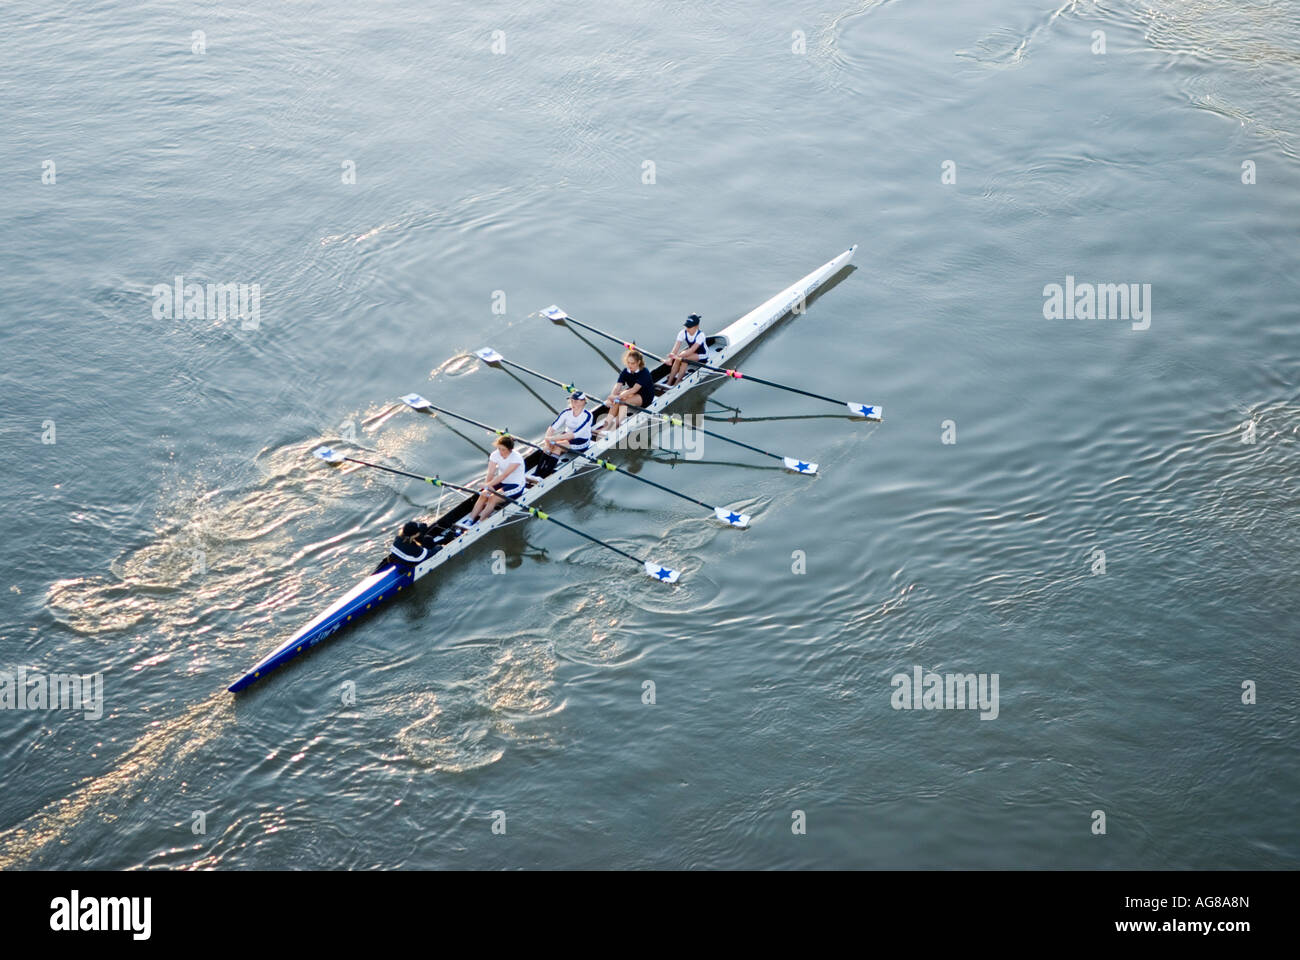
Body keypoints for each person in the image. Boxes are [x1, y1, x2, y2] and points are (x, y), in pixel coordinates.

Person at [460, 434, 527, 528]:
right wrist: (487, 487)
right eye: (499, 448)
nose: (500, 451)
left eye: (503, 449)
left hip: (516, 485)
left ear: (510, 449)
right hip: (502, 483)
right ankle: (470, 520)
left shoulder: (516, 458)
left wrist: (487, 485)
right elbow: (491, 473)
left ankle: (480, 522)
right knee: (483, 494)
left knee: (493, 498)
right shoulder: (495, 455)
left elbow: (504, 475)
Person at [596, 349, 654, 434]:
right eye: (628, 363)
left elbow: (634, 389)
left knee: (623, 402)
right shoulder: (626, 371)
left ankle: (615, 427)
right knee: (616, 401)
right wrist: (612, 396)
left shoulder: (644, 372)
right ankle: (606, 426)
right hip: (632, 393)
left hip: (645, 396)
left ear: (638, 362)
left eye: (632, 363)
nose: (630, 365)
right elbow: (618, 385)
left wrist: (617, 397)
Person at [536, 391, 593, 477]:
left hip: (582, 441)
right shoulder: (566, 412)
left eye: (576, 401)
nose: (573, 403)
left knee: (557, 446)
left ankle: (545, 475)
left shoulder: (587, 415)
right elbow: (552, 428)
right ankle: (537, 473)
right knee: (549, 445)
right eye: (572, 401)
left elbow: (574, 435)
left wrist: (552, 439)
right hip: (567, 437)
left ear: (583, 402)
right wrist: (547, 440)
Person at [666, 314, 707, 386]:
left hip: (702, 355)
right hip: (692, 353)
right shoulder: (682, 333)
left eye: (690, 327)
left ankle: (677, 383)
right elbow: (676, 348)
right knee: (679, 358)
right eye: (687, 326)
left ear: (696, 327)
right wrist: (670, 359)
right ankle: (669, 382)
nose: (687, 328)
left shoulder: (701, 335)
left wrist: (678, 356)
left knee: (684, 359)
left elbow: (691, 350)